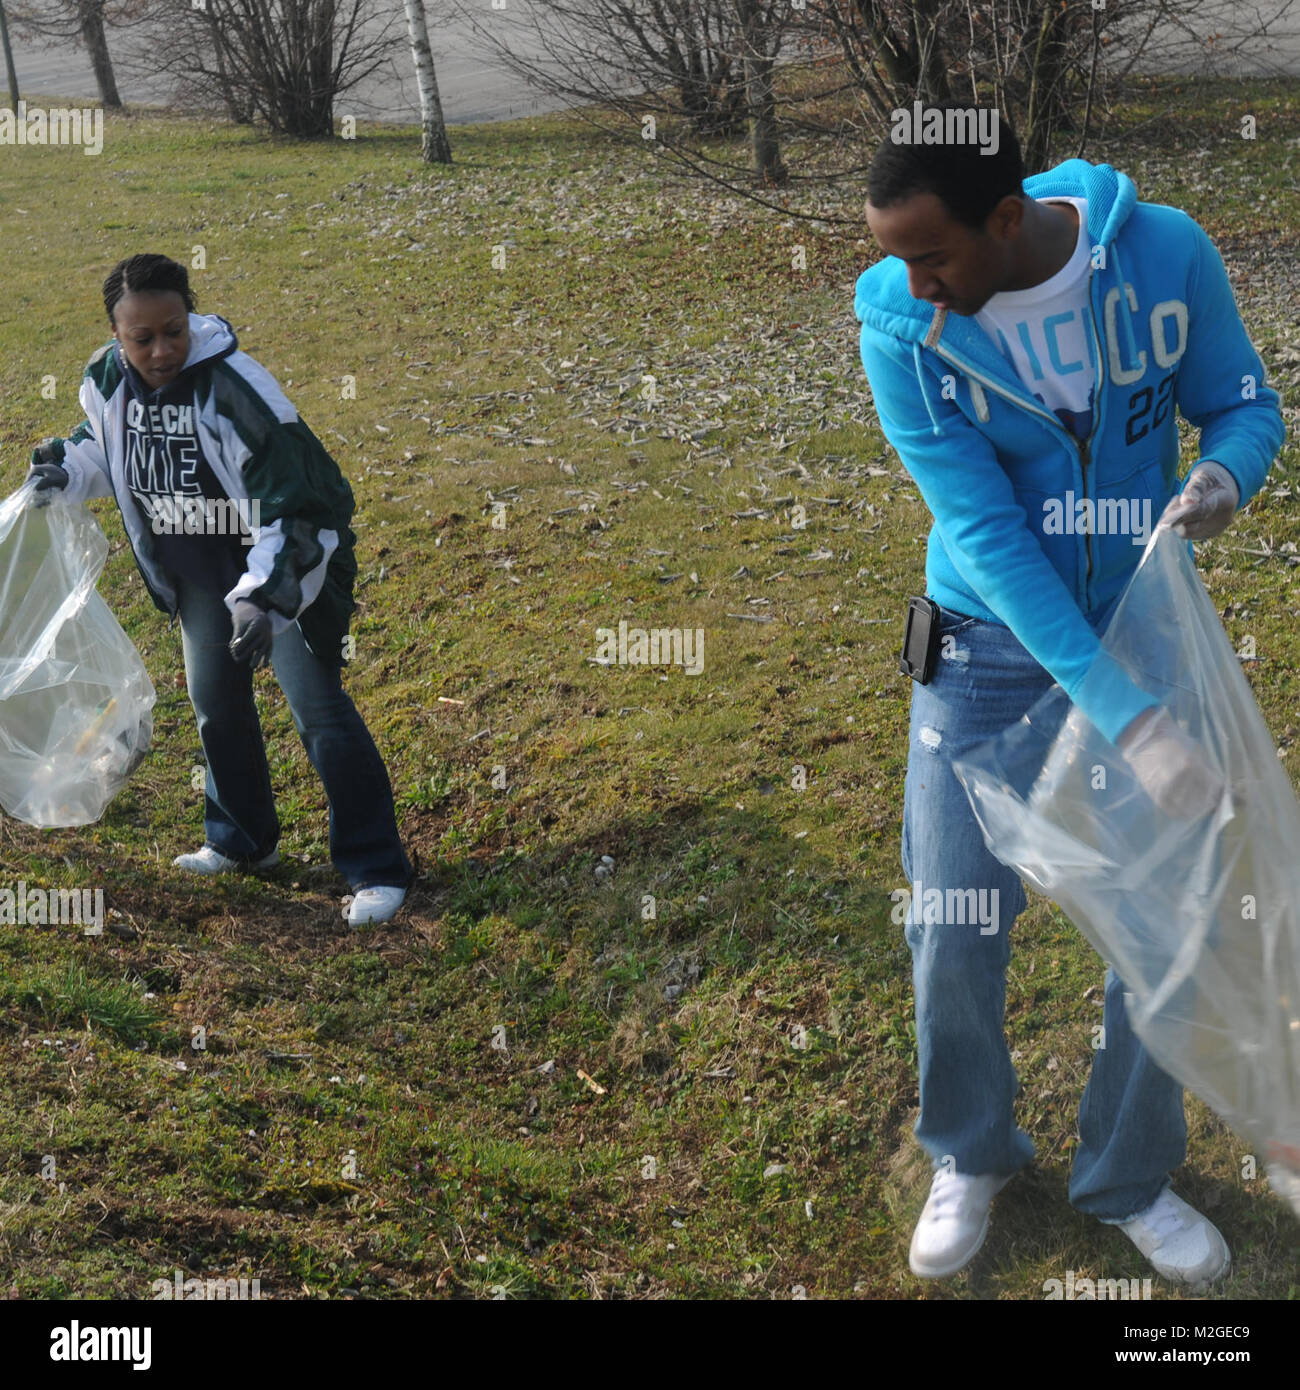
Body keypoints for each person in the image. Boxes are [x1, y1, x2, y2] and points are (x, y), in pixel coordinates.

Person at [854, 104, 1285, 1286]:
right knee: (954, 925)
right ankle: (969, 1152)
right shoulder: (901, 324)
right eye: (894, 253)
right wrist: (1129, 721)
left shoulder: (1165, 253)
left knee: (1168, 927)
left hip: (1141, 631)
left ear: (1007, 218)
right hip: (979, 655)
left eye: (929, 253)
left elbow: (1245, 403)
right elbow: (988, 537)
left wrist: (1221, 476)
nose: (910, 280)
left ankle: (1128, 1173)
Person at [28, 253, 413, 926]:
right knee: (214, 704)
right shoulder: (107, 379)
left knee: (317, 711)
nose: (160, 350)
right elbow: (102, 445)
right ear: (115, 335)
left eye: (172, 330)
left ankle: (376, 866)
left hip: (290, 570)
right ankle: (241, 841)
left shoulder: (237, 390)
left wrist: (265, 600)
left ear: (191, 317)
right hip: (202, 573)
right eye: (140, 337)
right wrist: (67, 472)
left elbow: (299, 511)